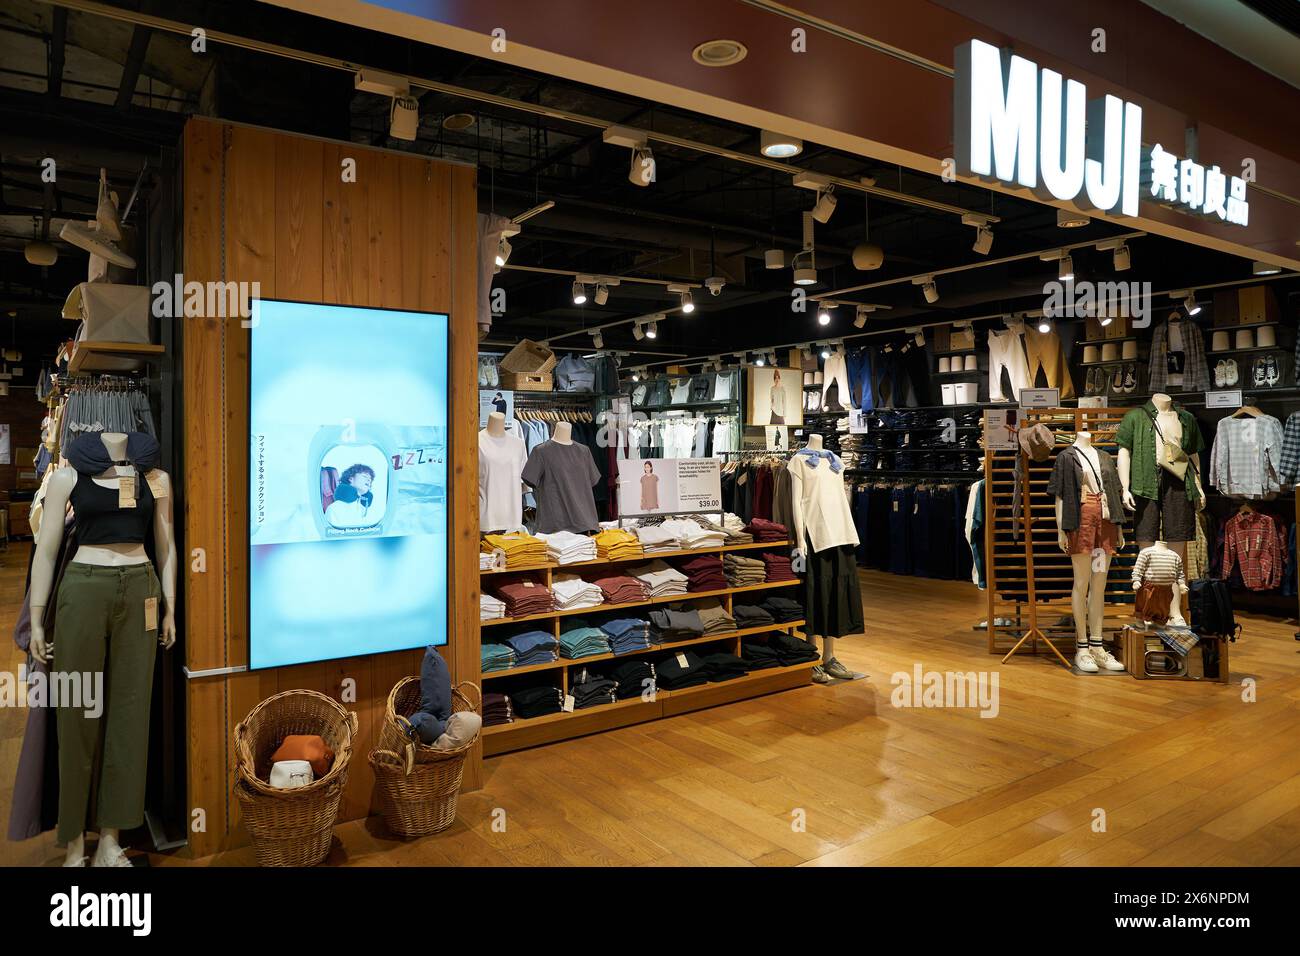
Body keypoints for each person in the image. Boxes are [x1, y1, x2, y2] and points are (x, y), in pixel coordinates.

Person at [325, 463, 377, 527]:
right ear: (351, 479)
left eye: (370, 479)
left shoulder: (368, 510)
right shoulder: (335, 508)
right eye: (364, 476)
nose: (369, 480)